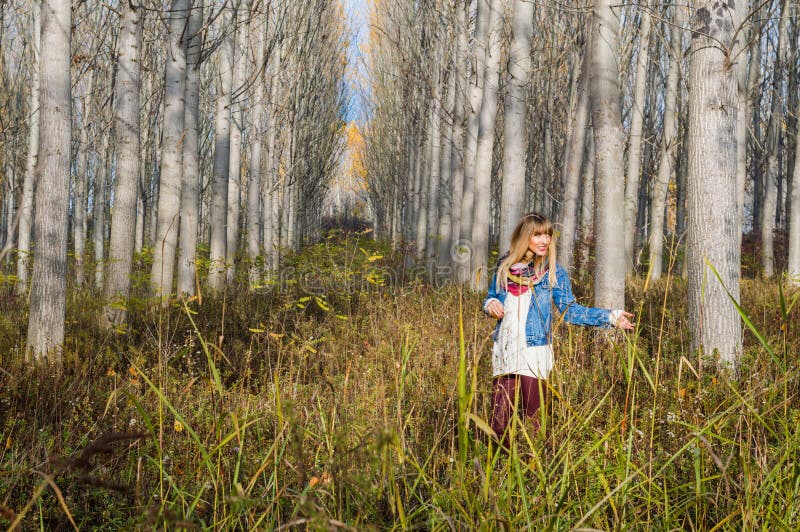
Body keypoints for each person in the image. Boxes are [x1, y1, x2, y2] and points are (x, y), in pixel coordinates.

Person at [483, 212, 633, 447]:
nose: (545, 241)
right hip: (504, 351)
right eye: (538, 235)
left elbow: (570, 311)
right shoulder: (505, 267)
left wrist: (610, 317)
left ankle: (536, 475)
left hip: (535, 352)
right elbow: (492, 297)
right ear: (525, 237)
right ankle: (498, 476)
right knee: (498, 425)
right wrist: (490, 304)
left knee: (534, 424)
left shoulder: (553, 272)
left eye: (548, 236)